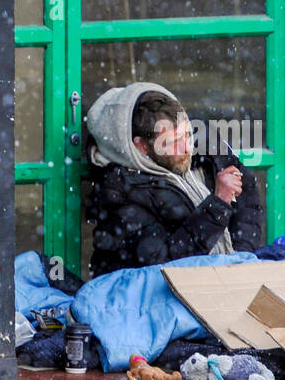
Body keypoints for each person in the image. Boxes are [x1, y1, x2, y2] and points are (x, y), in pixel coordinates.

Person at [85, 83, 263, 277]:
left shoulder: (204, 142)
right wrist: (218, 204)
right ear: (142, 146)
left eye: (186, 134)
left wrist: (239, 258)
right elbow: (163, 263)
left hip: (226, 278)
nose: (186, 147)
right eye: (171, 143)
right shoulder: (120, 191)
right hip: (162, 296)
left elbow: (248, 200)